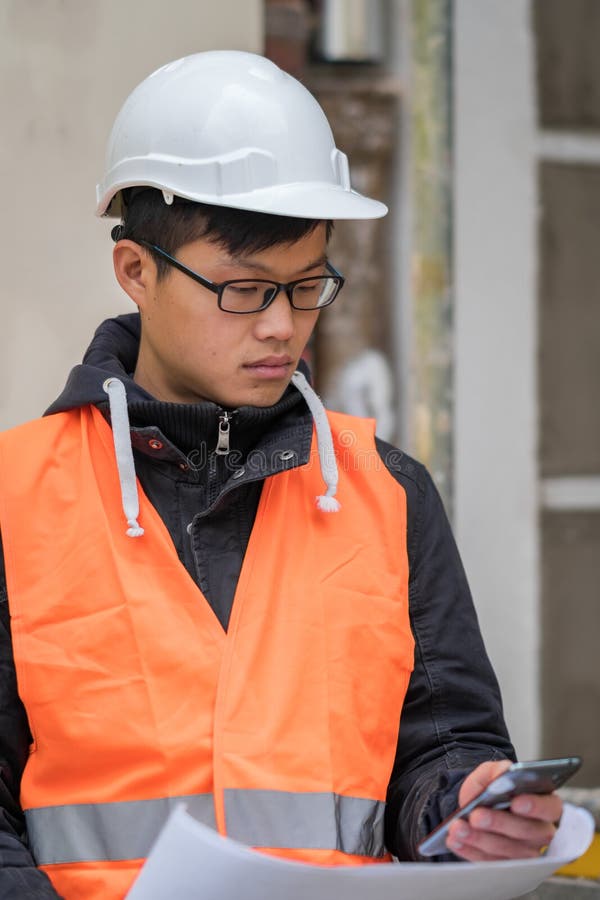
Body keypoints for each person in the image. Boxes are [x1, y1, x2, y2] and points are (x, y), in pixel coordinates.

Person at [0, 51, 561, 900]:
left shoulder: (390, 492)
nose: (281, 327)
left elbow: (439, 750)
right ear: (136, 272)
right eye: (243, 289)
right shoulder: (15, 498)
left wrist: (468, 809)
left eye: (306, 287)